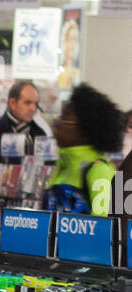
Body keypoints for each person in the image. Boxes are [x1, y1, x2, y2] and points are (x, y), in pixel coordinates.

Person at [47, 82, 121, 216]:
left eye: (65, 117)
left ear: (85, 129)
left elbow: (102, 227)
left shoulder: (100, 170)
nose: (57, 124)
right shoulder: (62, 166)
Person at [0, 80, 45, 161]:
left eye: (35, 104)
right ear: (12, 103)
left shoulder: (40, 134)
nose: (33, 109)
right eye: (27, 103)